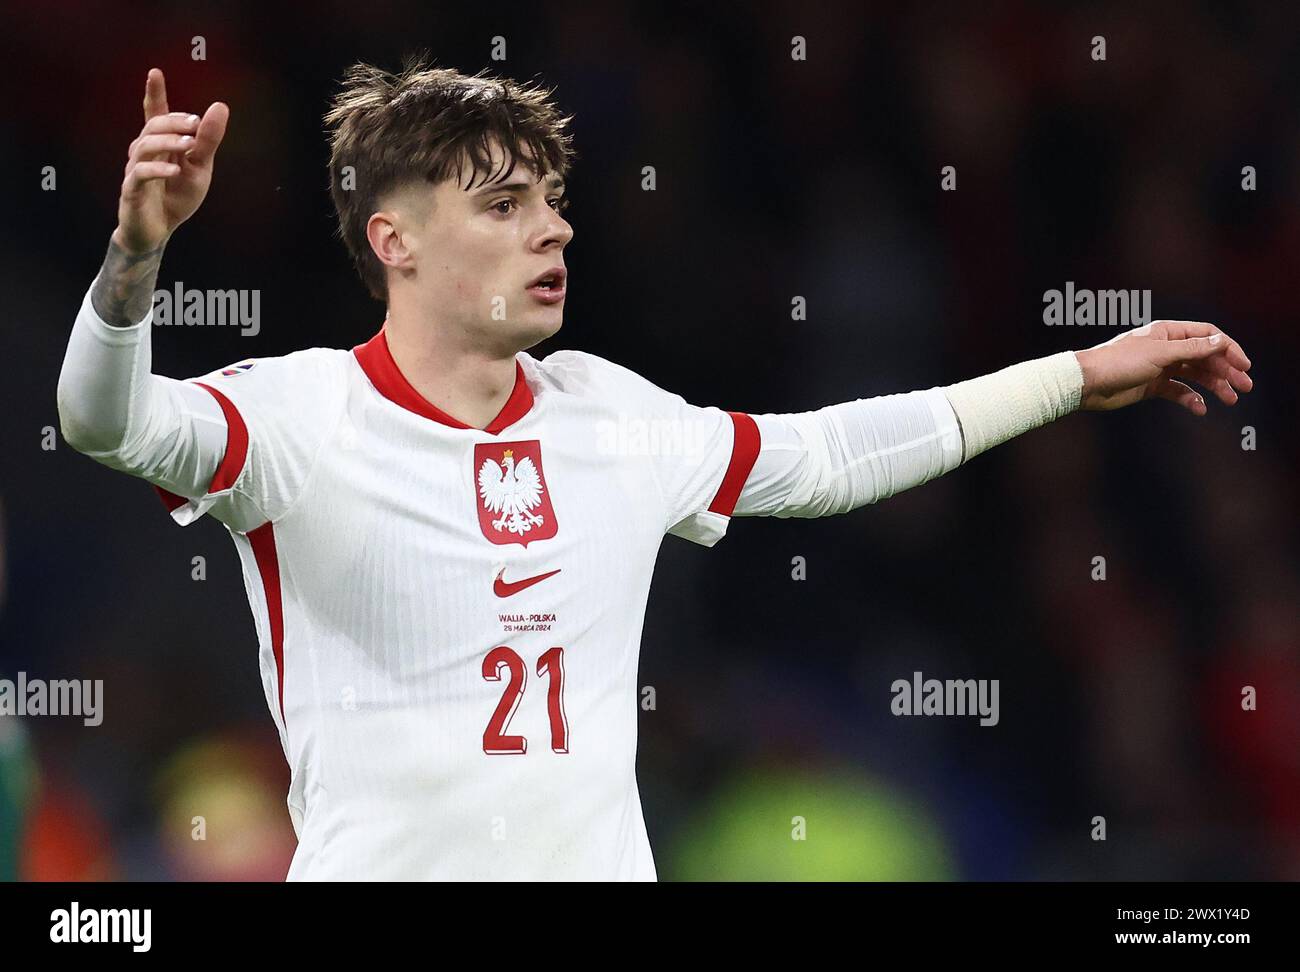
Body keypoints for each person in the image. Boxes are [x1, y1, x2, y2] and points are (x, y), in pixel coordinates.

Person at [56, 61, 1254, 880]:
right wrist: (134, 254)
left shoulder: (610, 418)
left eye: (556, 202)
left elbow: (825, 457)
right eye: (507, 203)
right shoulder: (298, 418)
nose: (555, 228)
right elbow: (106, 420)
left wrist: (1076, 374)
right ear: (395, 240)